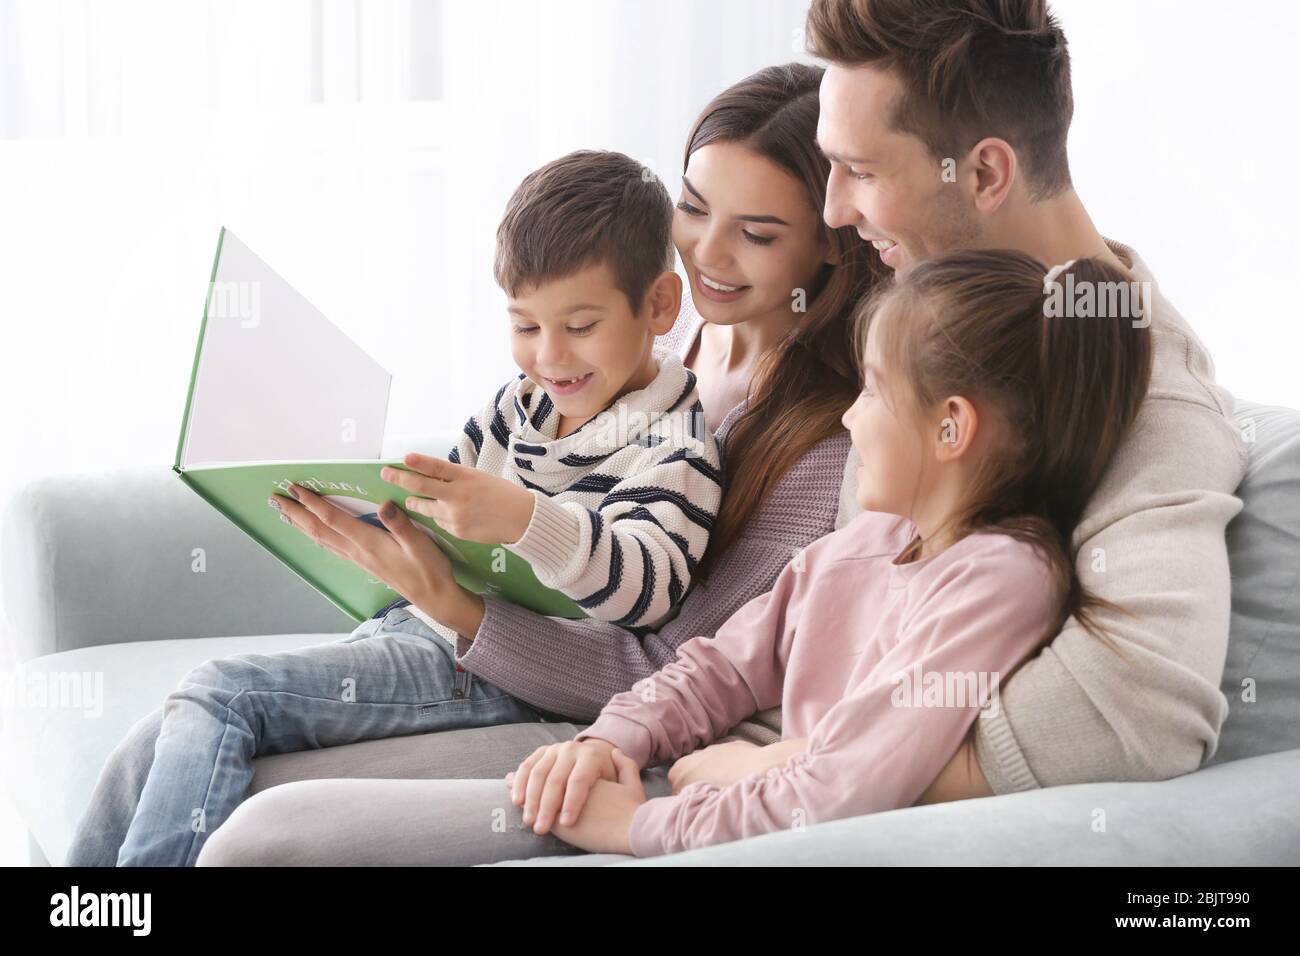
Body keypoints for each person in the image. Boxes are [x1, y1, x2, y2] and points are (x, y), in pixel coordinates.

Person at [69, 61, 878, 866]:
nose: (706, 251)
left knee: (226, 728)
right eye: (694, 209)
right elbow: (483, 479)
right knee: (160, 739)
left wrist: (457, 599)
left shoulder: (811, 447)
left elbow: (665, 666)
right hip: (449, 634)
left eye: (757, 234)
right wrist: (383, 527)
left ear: (832, 242)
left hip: (563, 694)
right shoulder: (654, 347)